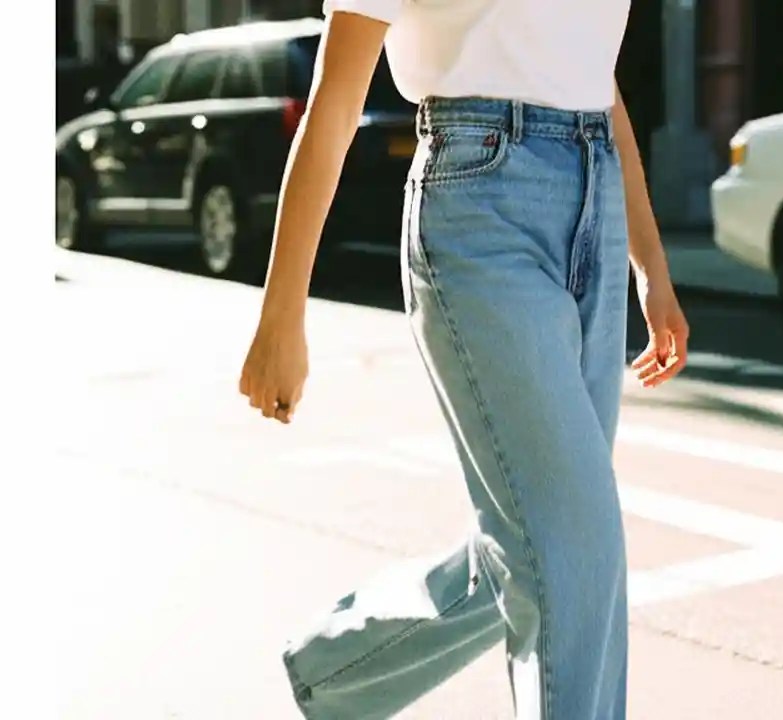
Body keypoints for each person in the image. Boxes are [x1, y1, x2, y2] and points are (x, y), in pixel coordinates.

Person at [237, 1, 690, 717]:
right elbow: (336, 99)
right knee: (574, 550)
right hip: (481, 204)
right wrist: (280, 317)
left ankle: (335, 670)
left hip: (595, 199)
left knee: (546, 538)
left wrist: (651, 267)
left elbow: (592, 79)